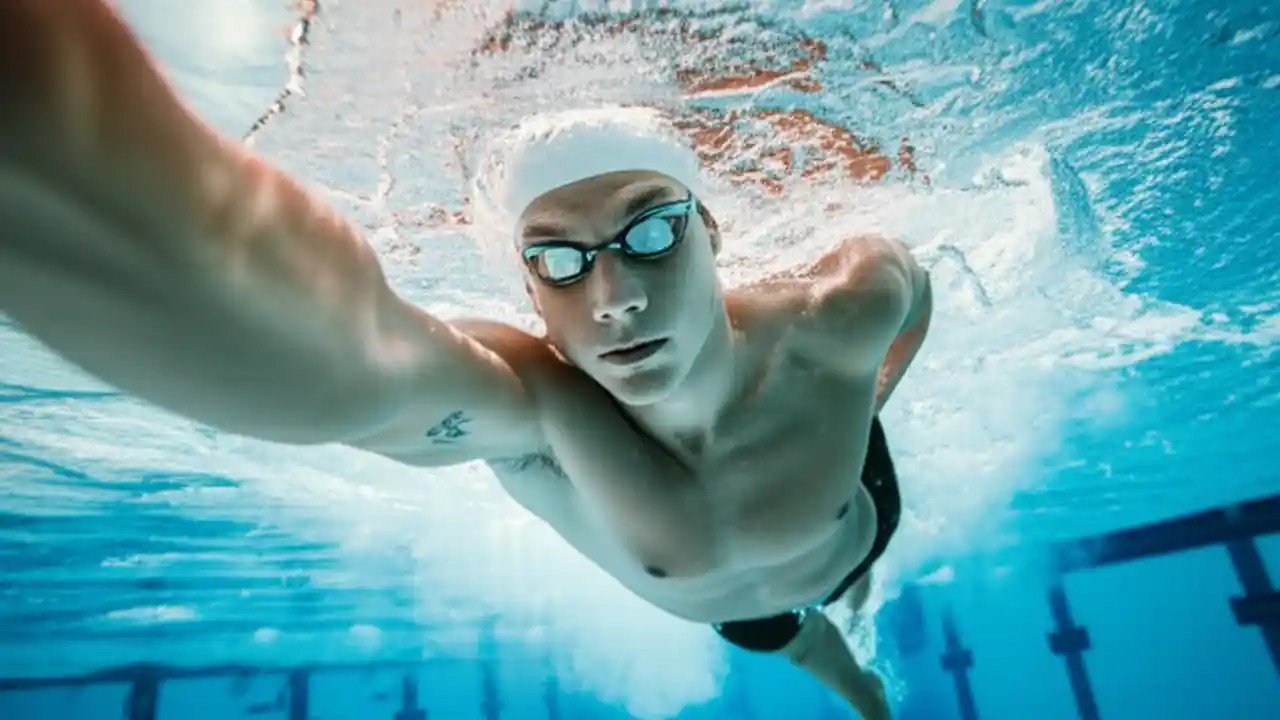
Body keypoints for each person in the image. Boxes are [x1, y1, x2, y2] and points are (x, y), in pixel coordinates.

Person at [0, 3, 931, 718]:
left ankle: (863, 597)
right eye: (559, 261)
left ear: (714, 231)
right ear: (530, 294)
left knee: (855, 582)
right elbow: (362, 374)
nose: (612, 298)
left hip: (858, 525)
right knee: (812, 653)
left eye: (650, 231)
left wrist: (863, 404)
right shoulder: (537, 409)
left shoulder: (836, 325)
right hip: (754, 619)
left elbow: (909, 297)